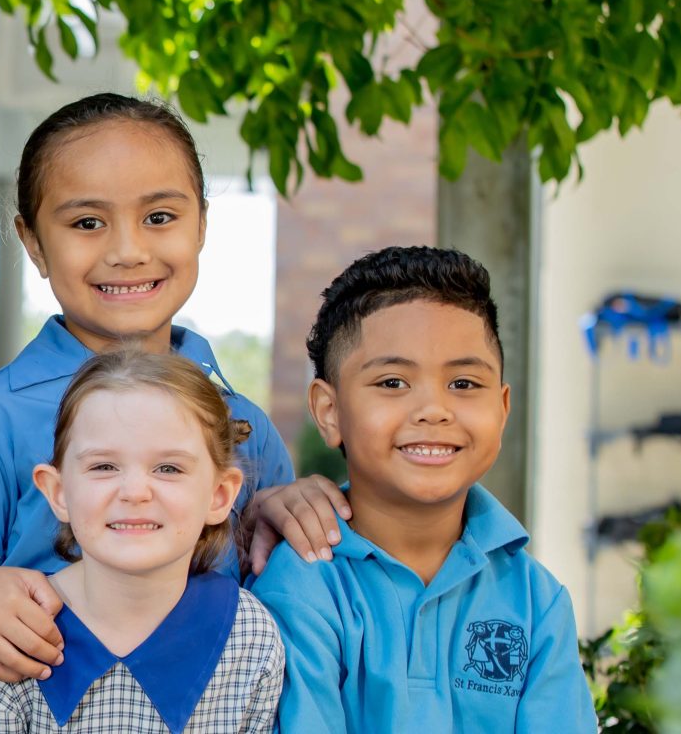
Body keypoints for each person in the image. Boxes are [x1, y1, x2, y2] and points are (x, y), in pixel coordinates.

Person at [0, 93, 341, 684]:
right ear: (32, 243)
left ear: (201, 223)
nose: (127, 252)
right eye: (86, 223)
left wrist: (293, 511)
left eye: (159, 217)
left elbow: (282, 616)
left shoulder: (241, 424)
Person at [249, 246, 597, 732]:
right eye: (392, 382)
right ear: (329, 412)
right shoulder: (301, 586)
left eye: (464, 383)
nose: (434, 409)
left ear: (502, 408)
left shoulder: (536, 600)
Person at [0, 350, 284, 733]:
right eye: (104, 466)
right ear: (57, 492)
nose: (135, 492)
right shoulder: (13, 640)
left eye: (168, 468)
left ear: (219, 496)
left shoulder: (249, 637)